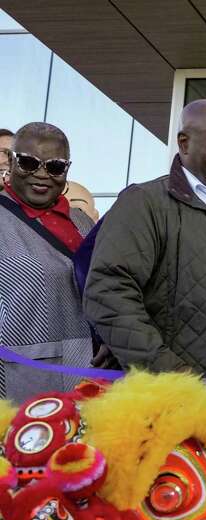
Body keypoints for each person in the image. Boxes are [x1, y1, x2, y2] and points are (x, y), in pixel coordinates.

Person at [84, 99, 206, 387]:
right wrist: (166, 371)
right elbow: (108, 291)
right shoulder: (144, 204)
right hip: (175, 397)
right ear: (184, 144)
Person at [0, 122, 94, 401]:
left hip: (92, 378)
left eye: (54, 167)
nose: (41, 174)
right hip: (23, 383)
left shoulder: (84, 223)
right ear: (11, 163)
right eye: (28, 163)